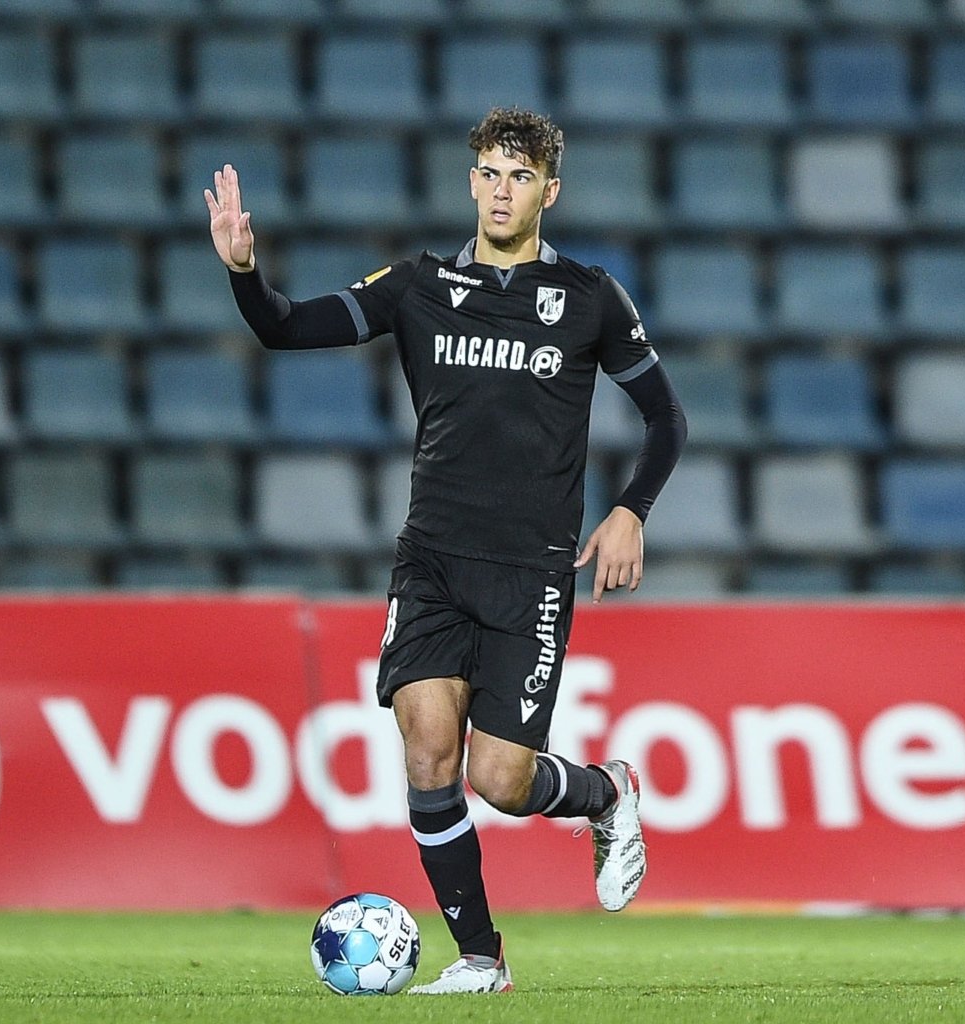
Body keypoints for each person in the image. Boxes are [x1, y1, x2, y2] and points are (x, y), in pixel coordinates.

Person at [207, 107, 686, 994]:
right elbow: (284, 326)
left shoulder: (588, 297)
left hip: (531, 571)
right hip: (431, 560)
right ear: (471, 182)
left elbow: (666, 416)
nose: (502, 191)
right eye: (490, 174)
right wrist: (243, 273)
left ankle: (607, 793)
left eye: (521, 177)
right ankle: (480, 959)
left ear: (550, 191)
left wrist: (631, 511)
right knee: (428, 754)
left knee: (498, 778)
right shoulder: (418, 286)